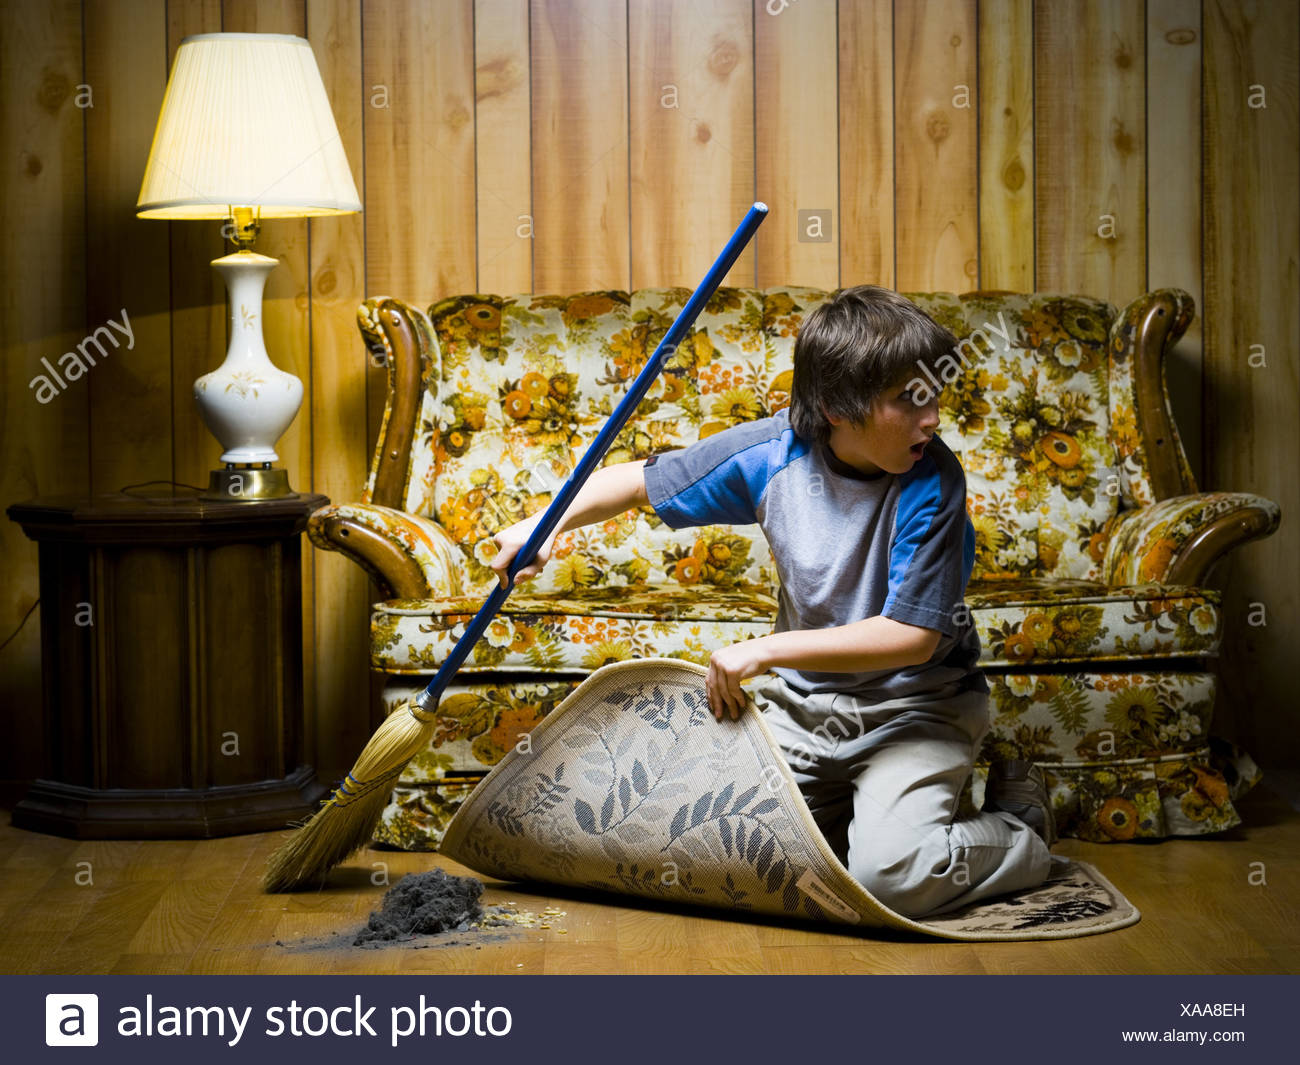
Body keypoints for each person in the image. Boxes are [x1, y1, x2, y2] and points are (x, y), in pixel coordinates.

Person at [489, 285, 1059, 919]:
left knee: (890, 878)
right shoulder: (771, 454)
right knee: (710, 848)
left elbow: (912, 636)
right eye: (909, 399)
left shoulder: (934, 481)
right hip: (803, 712)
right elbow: (636, 482)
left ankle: (1021, 827)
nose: (932, 417)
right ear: (836, 407)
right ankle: (891, 817)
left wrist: (763, 650)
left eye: (933, 394)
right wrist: (538, 528)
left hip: (917, 708)